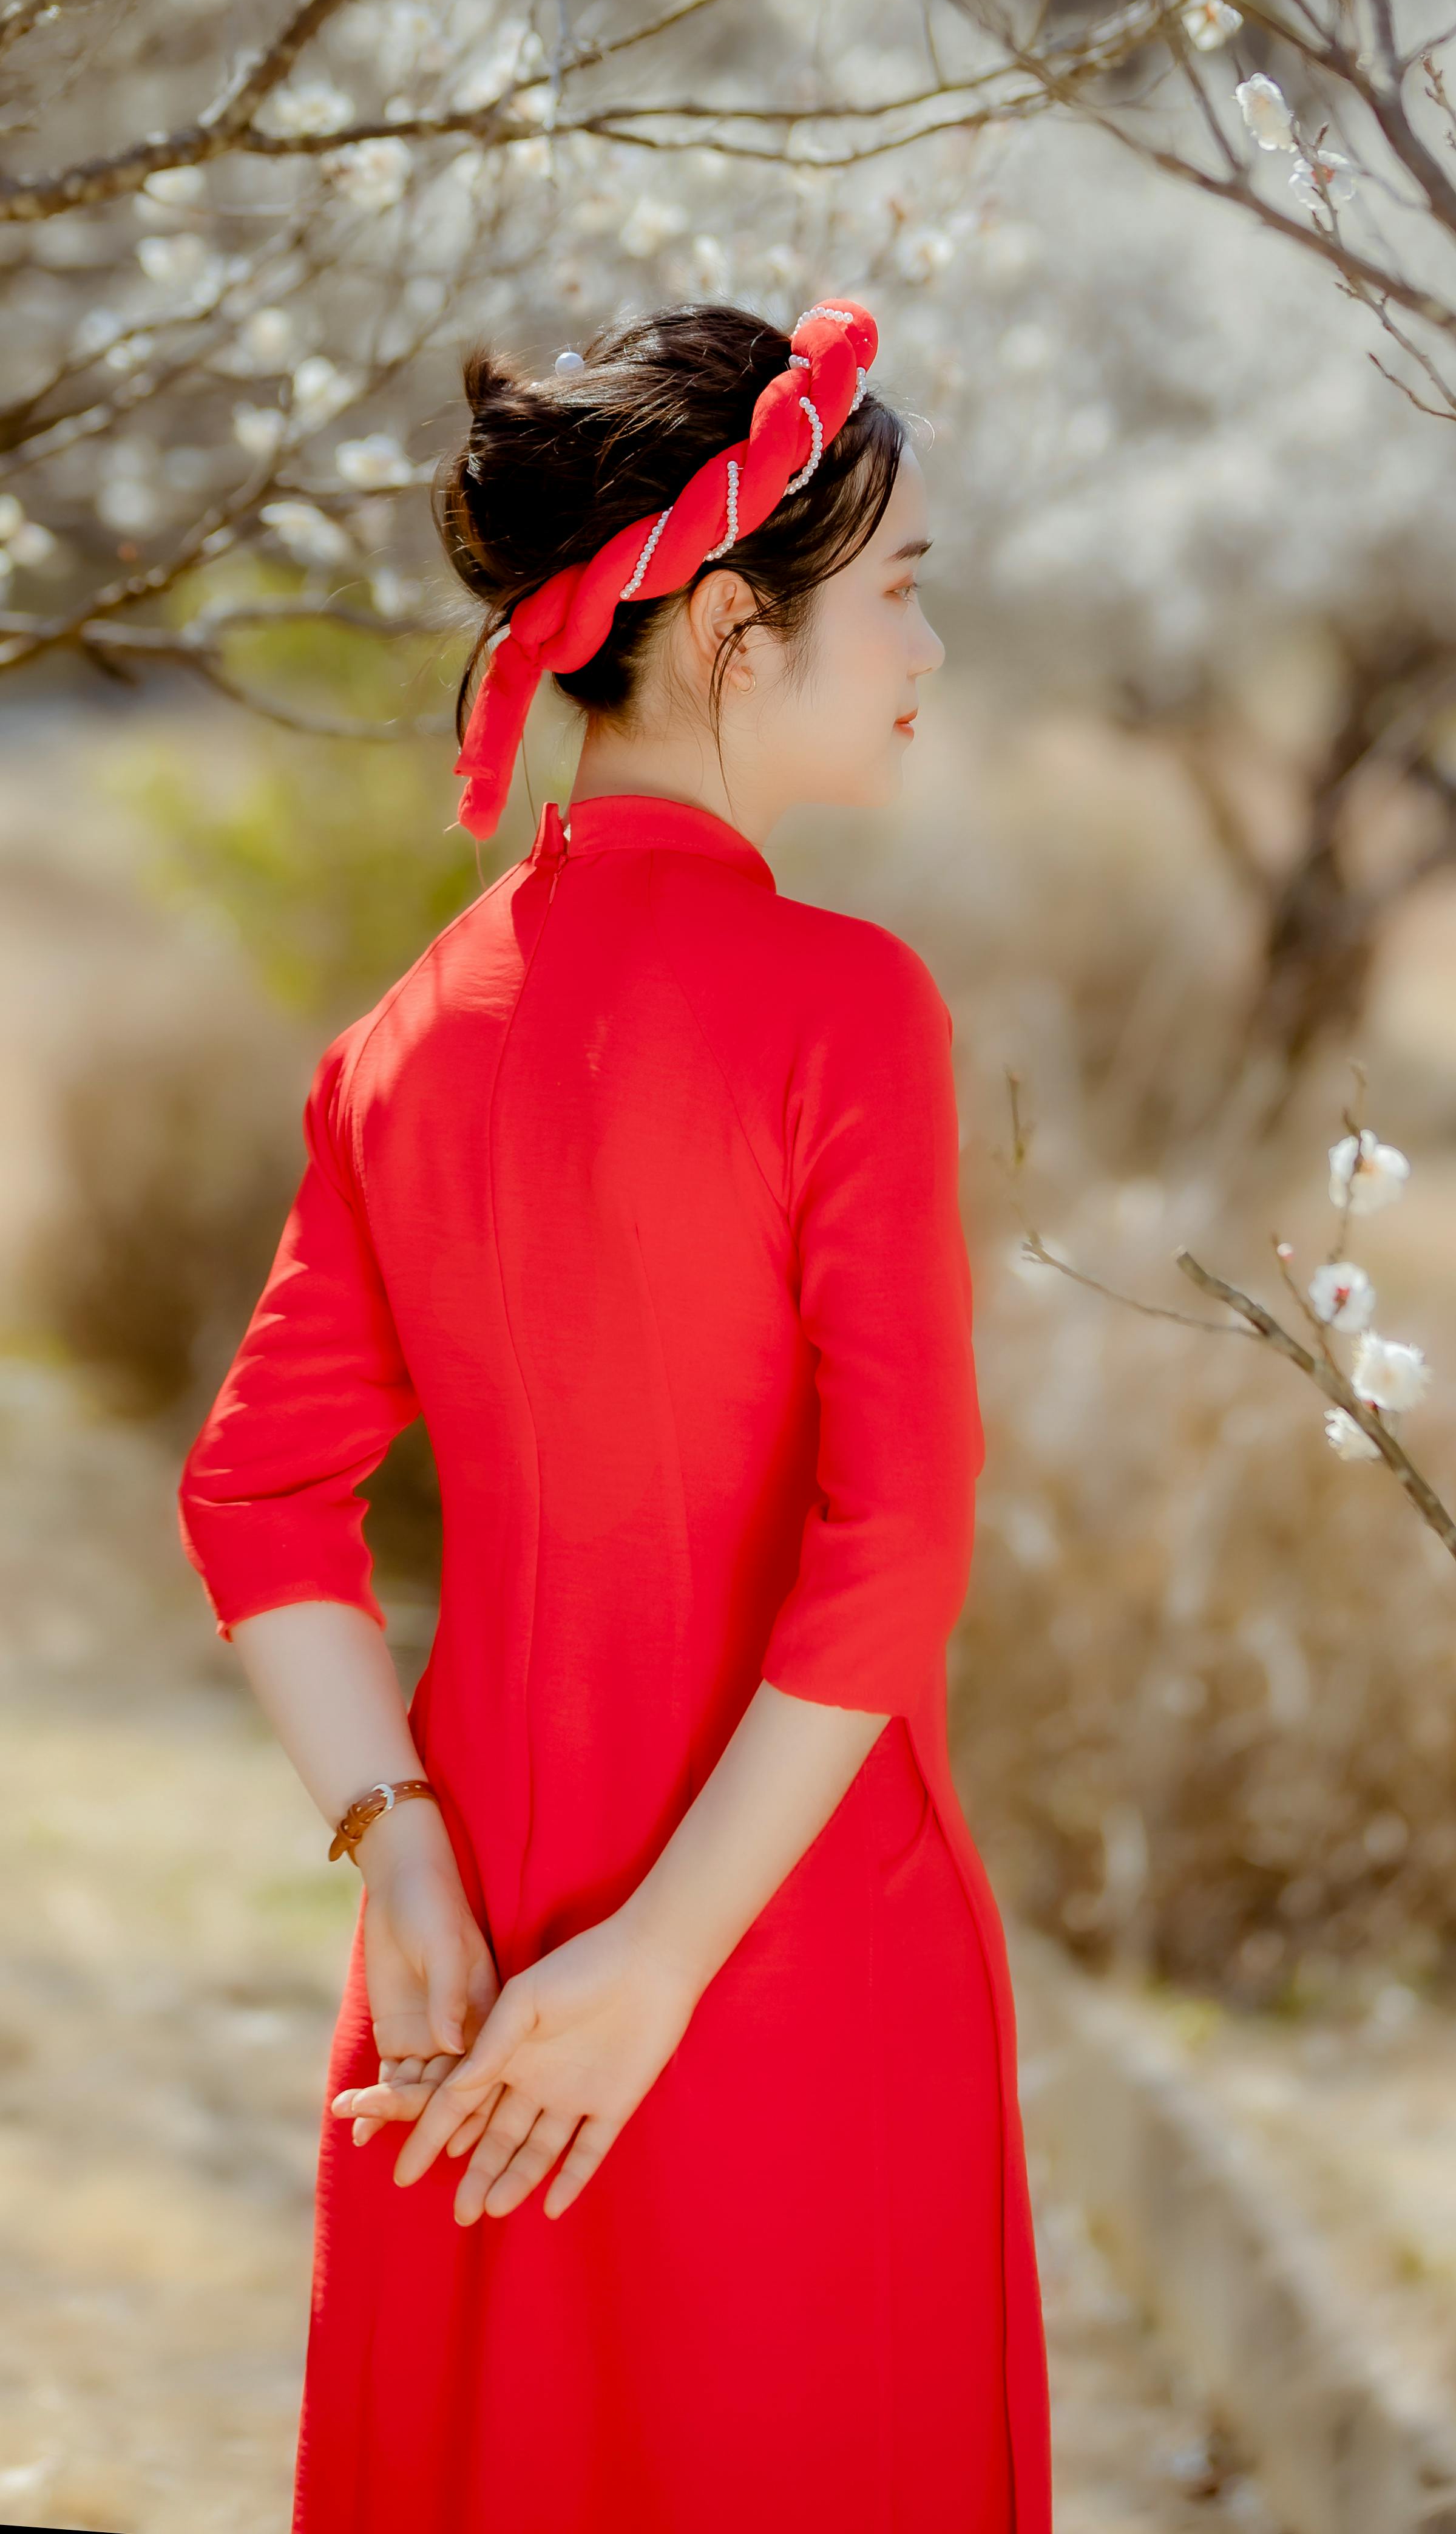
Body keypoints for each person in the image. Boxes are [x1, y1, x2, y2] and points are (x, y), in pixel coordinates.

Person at [175, 297, 1052, 2534]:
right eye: (901, 591)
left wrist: (407, 1879)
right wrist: (659, 1970)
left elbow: (258, 1499)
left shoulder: (404, 1037)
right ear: (739, 633)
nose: (929, 645)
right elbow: (900, 1537)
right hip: (785, 1952)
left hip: (463, 2000)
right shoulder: (844, 1011)